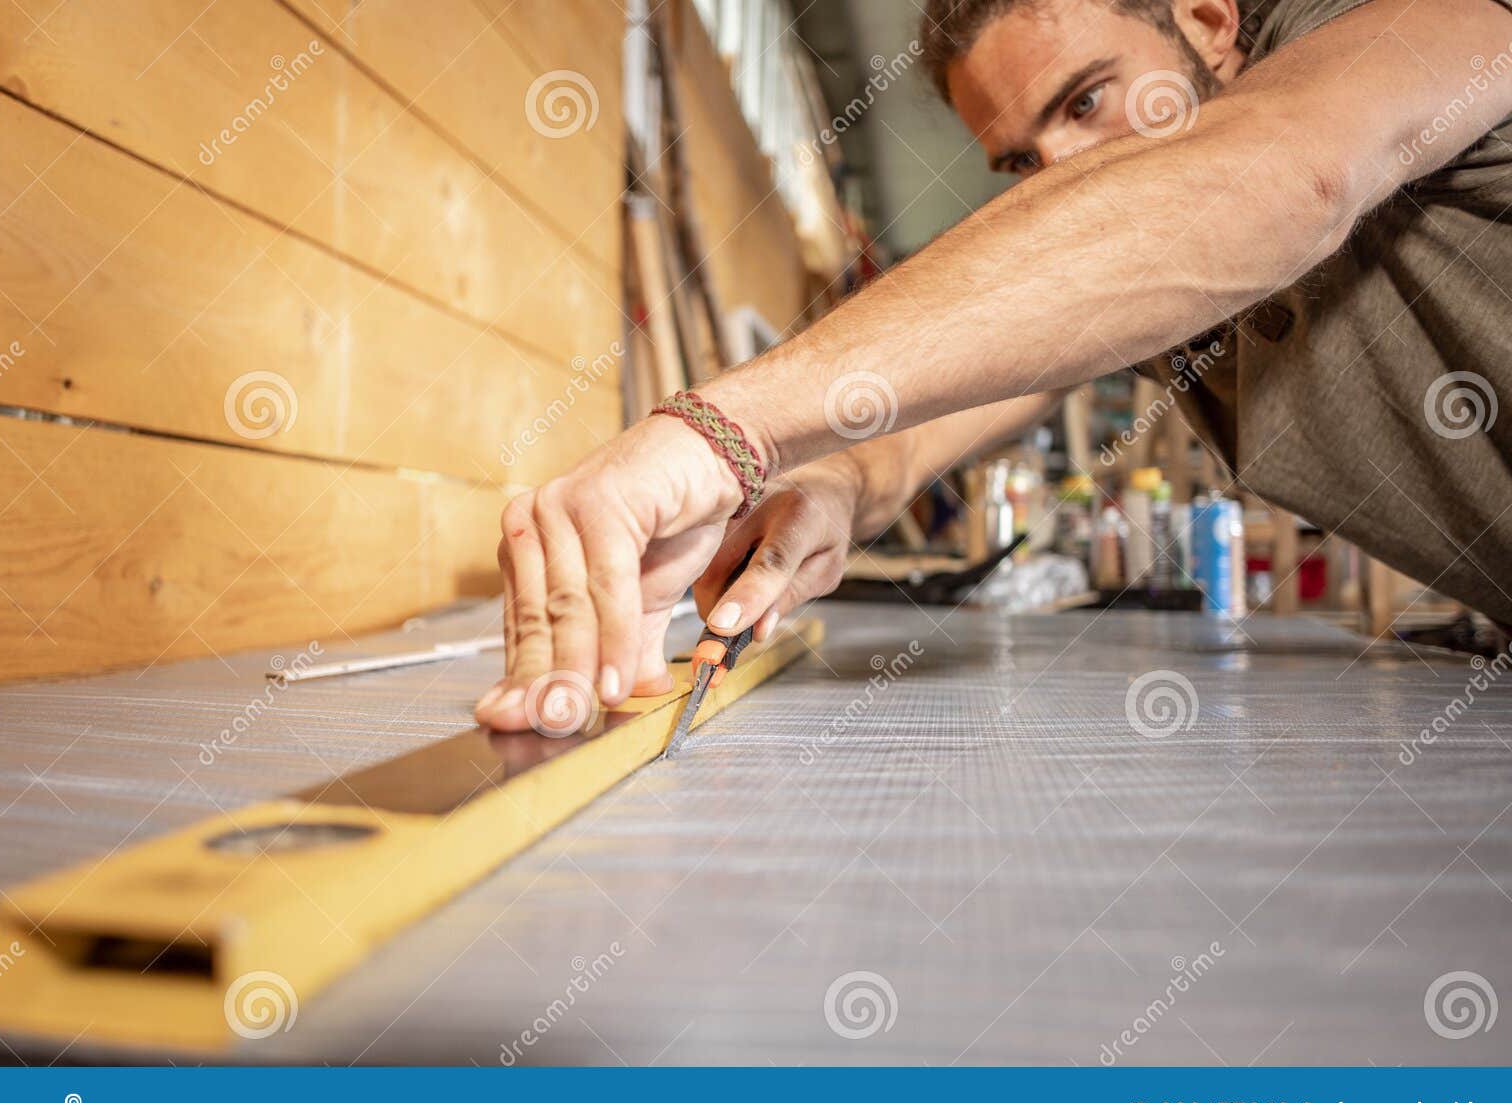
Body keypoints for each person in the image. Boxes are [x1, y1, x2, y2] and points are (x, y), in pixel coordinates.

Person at [477, 0, 1512, 732]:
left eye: (1085, 100)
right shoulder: (1143, 283)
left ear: (1203, 17)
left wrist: (725, 427)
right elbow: (923, 413)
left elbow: (1288, 172)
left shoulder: (1426, 29)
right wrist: (826, 482)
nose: (1060, 173)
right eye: (1019, 161)